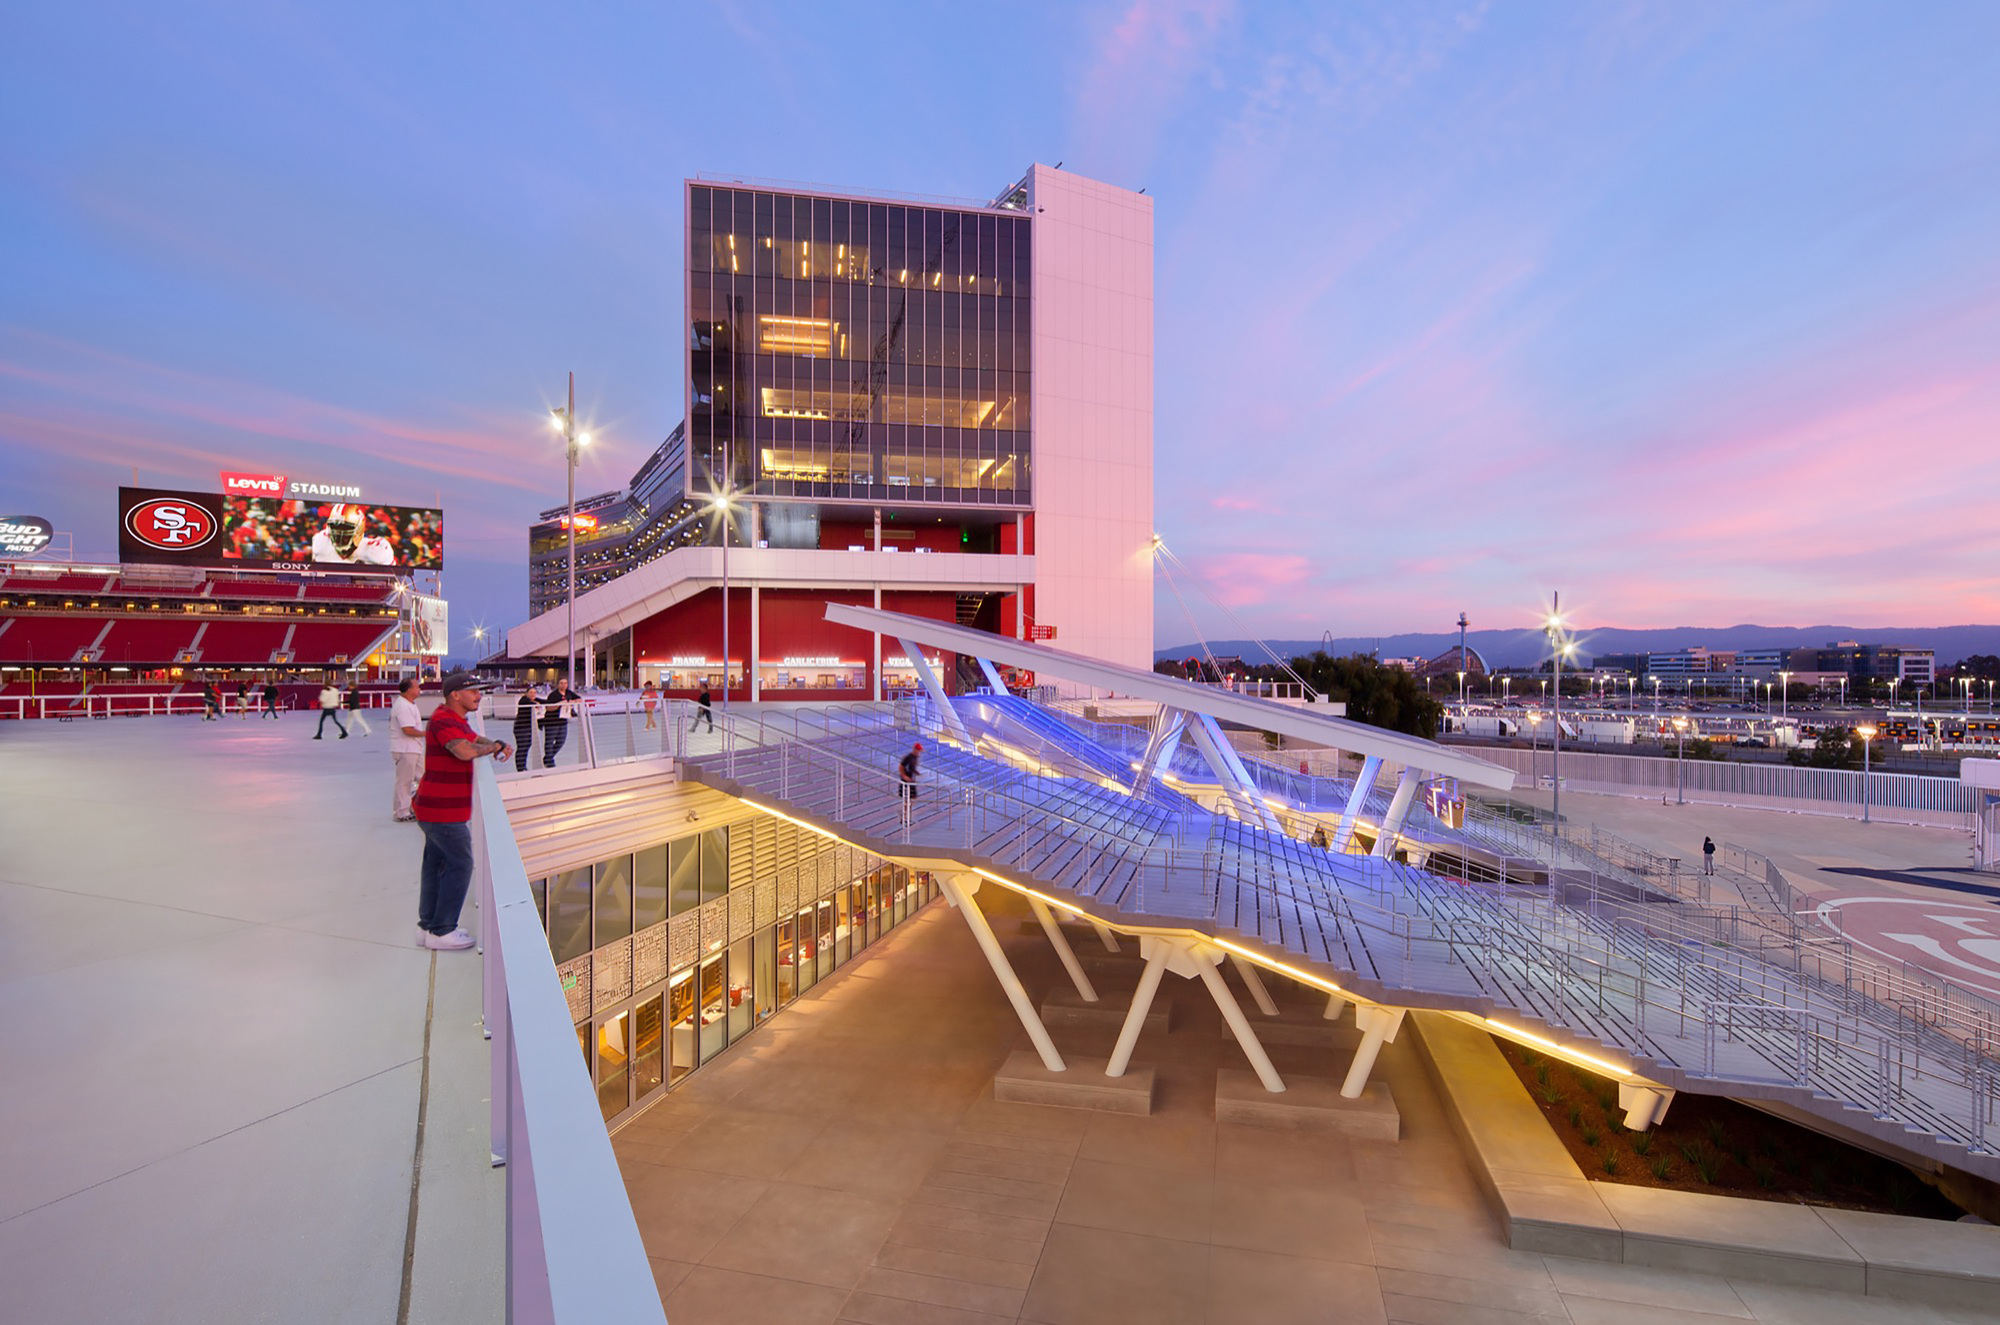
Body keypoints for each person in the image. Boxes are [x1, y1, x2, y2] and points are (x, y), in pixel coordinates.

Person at [412, 670, 512, 949]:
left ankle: (428, 927)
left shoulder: (454, 719)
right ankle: (443, 930)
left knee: (435, 865)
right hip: (443, 810)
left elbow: (474, 739)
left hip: (435, 807)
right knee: (461, 864)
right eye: (473, 691)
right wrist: (494, 747)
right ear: (455, 695)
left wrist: (497, 744)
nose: (479, 695)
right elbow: (464, 751)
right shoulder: (443, 719)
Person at [390, 676, 424, 821]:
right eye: (417, 687)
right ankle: (401, 812)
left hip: (413, 748)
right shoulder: (403, 707)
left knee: (424, 777)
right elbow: (407, 729)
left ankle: (413, 806)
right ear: (409, 690)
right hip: (405, 749)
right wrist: (428, 734)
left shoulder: (409, 704)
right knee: (405, 781)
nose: (419, 689)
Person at [539, 678, 573, 767]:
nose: (563, 685)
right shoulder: (553, 695)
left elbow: (579, 699)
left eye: (565, 683)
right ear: (558, 684)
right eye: (561, 683)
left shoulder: (569, 694)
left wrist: (570, 702)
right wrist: (559, 704)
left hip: (563, 721)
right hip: (552, 722)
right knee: (549, 741)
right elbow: (548, 708)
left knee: (561, 741)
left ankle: (548, 758)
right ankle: (549, 761)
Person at [511, 684, 540, 771]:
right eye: (531, 692)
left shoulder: (533, 700)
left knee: (526, 747)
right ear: (526, 693)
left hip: (529, 728)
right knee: (521, 747)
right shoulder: (523, 700)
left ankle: (523, 766)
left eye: (534, 693)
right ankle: (520, 768)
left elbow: (545, 701)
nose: (533, 694)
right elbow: (531, 704)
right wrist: (536, 704)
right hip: (521, 728)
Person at [898, 741, 922, 825]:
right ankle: (904, 817)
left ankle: (907, 816)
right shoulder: (908, 757)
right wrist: (904, 776)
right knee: (907, 800)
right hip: (906, 781)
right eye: (918, 750)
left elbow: (912, 768)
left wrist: (916, 772)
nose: (919, 752)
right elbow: (901, 766)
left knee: (912, 799)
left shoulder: (915, 758)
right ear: (914, 749)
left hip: (911, 781)